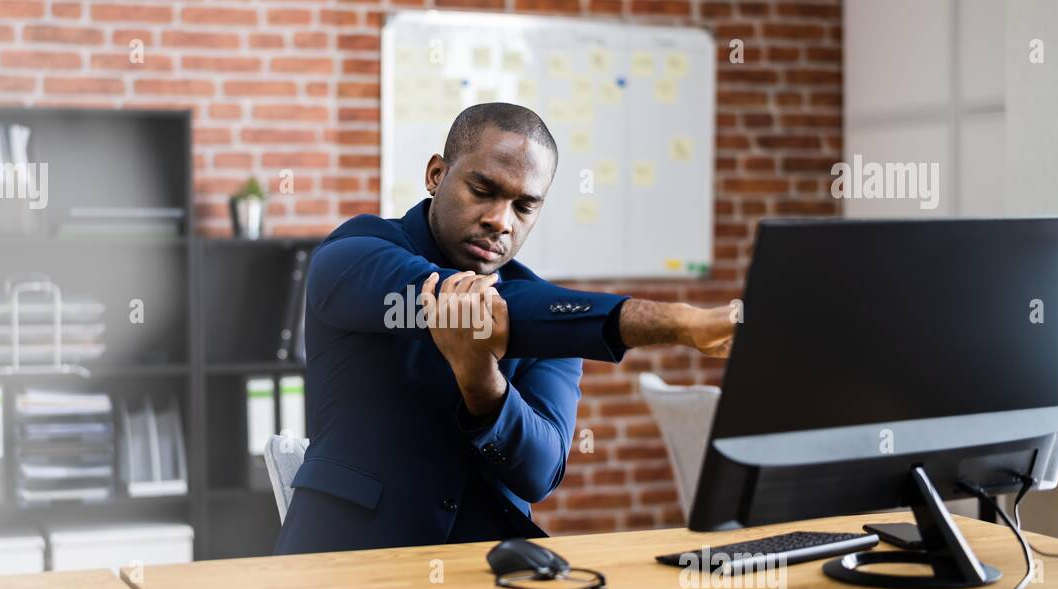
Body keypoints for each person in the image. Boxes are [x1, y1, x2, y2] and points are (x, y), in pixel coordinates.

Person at [273, 103, 735, 555]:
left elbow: (538, 473)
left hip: (487, 573)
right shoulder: (355, 255)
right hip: (348, 563)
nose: (500, 221)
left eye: (524, 206)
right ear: (437, 175)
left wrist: (483, 385)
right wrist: (675, 322)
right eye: (483, 190)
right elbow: (466, 305)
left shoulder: (551, 317)